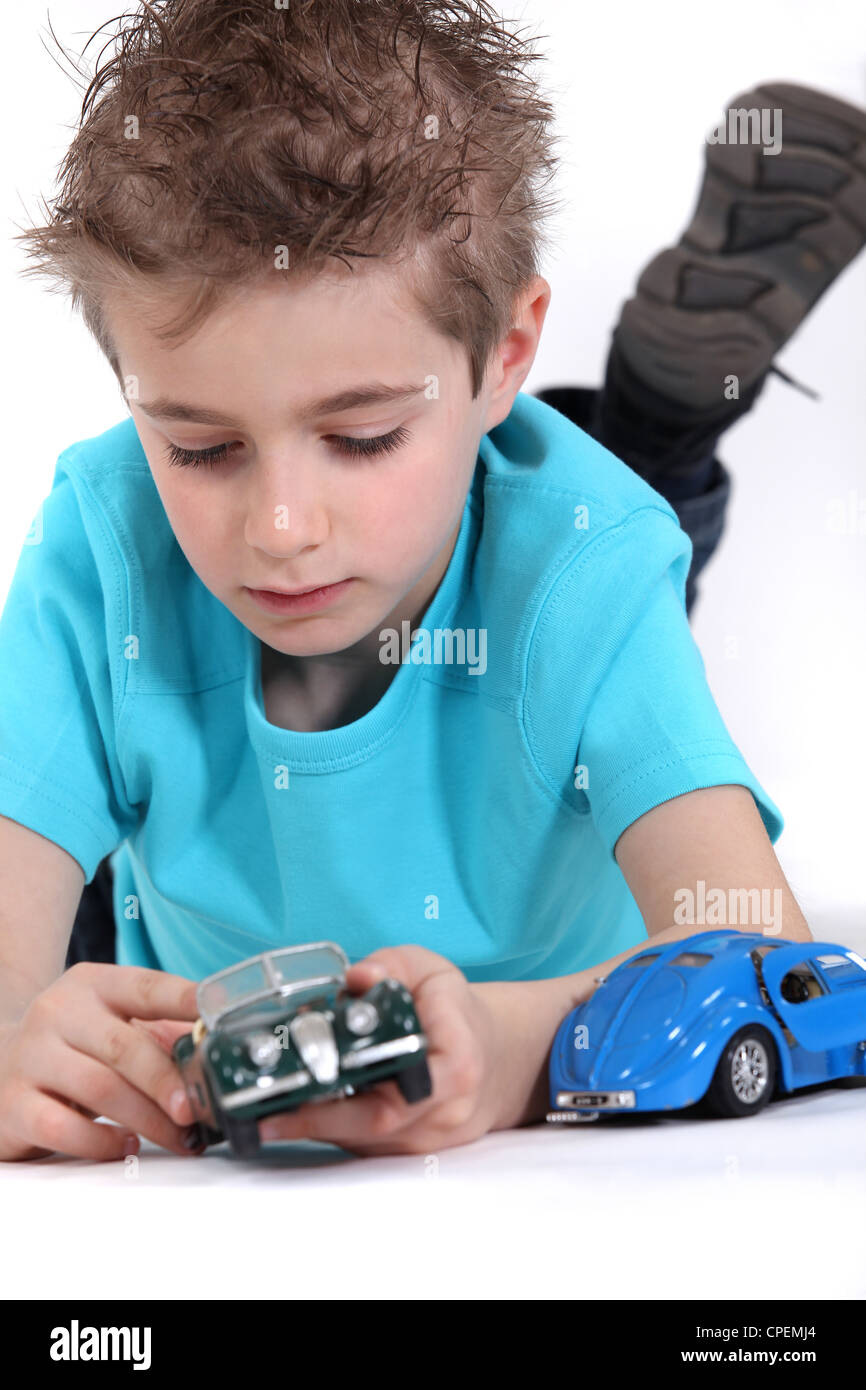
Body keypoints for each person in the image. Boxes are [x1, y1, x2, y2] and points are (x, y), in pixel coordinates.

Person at [0, 1, 860, 1165]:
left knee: (575, 541)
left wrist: (515, 1047)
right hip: (192, 964)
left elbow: (774, 965)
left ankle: (653, 427)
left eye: (359, 437)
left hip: (546, 569)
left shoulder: (581, 564)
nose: (281, 530)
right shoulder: (104, 545)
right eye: (200, 447)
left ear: (508, 355)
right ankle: (640, 420)